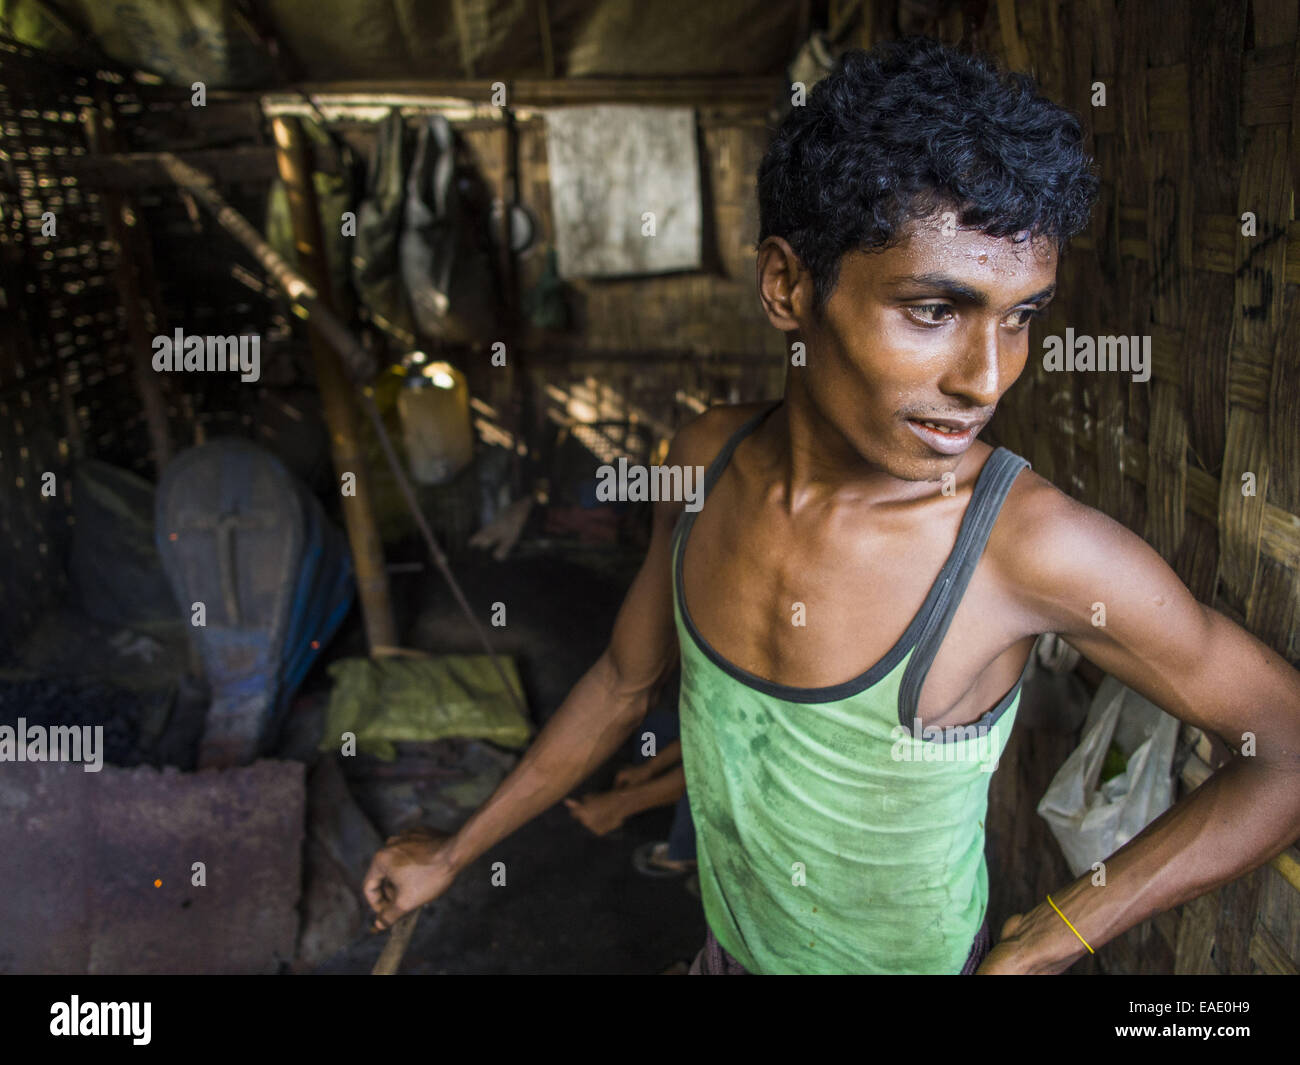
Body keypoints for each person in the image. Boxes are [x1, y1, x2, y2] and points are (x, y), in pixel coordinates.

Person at [363, 36, 1300, 974]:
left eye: (1021, 317)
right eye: (935, 310)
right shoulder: (702, 461)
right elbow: (620, 683)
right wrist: (452, 850)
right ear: (788, 286)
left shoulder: (1026, 549)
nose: (988, 378)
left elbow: (1286, 752)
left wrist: (1044, 938)